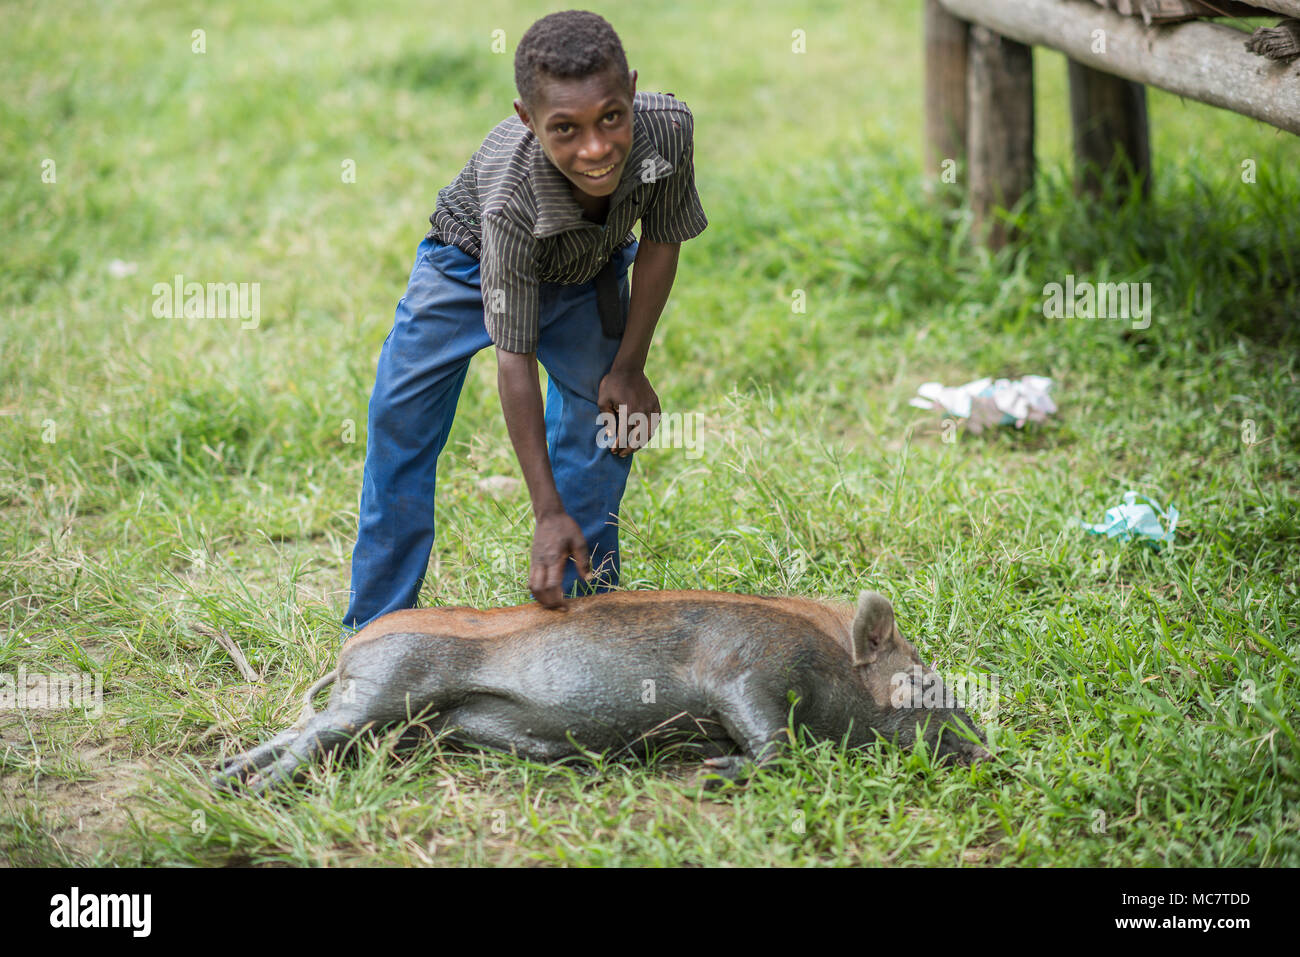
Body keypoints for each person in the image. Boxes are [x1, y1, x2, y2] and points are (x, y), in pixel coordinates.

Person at [343, 10, 708, 634]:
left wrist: (629, 367)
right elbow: (514, 358)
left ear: (632, 92)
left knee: (607, 421)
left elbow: (662, 242)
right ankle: (377, 631)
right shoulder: (512, 192)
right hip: (466, 264)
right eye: (564, 128)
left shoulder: (668, 132)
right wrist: (544, 510)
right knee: (399, 421)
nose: (595, 148)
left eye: (610, 117)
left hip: (588, 266)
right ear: (527, 119)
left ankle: (579, 616)